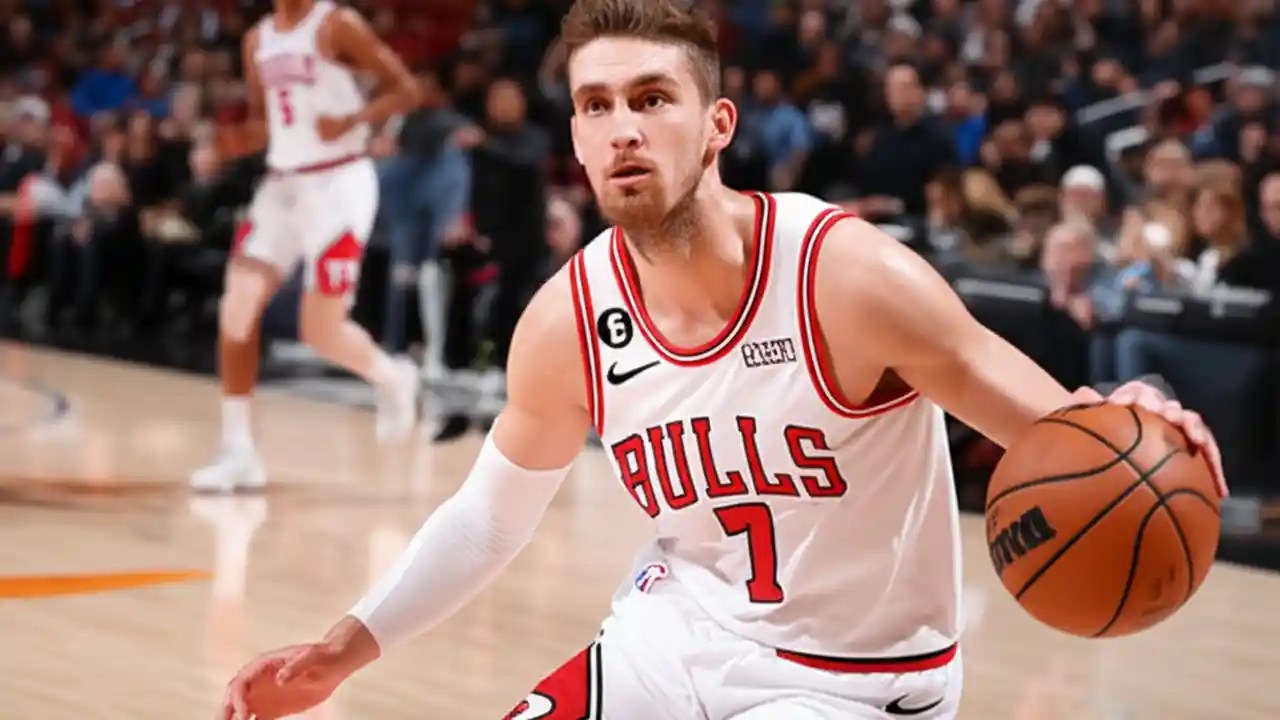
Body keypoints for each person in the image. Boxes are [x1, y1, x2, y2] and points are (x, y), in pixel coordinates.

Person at [217, 1, 1226, 718]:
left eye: (651, 98)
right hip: (673, 639)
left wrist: (1136, 414)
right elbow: (488, 516)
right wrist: (339, 654)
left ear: (714, 126)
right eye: (597, 104)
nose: (622, 128)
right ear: (572, 136)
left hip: (851, 684)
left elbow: (1060, 430)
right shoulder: (565, 321)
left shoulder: (846, 276)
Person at [192, 0, 424, 493]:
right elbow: (265, 124)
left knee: (320, 331)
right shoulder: (257, 40)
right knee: (236, 310)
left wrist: (353, 119)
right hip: (282, 186)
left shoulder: (336, 24)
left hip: (340, 184)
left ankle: (393, 377)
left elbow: (406, 88)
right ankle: (238, 452)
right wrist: (229, 143)